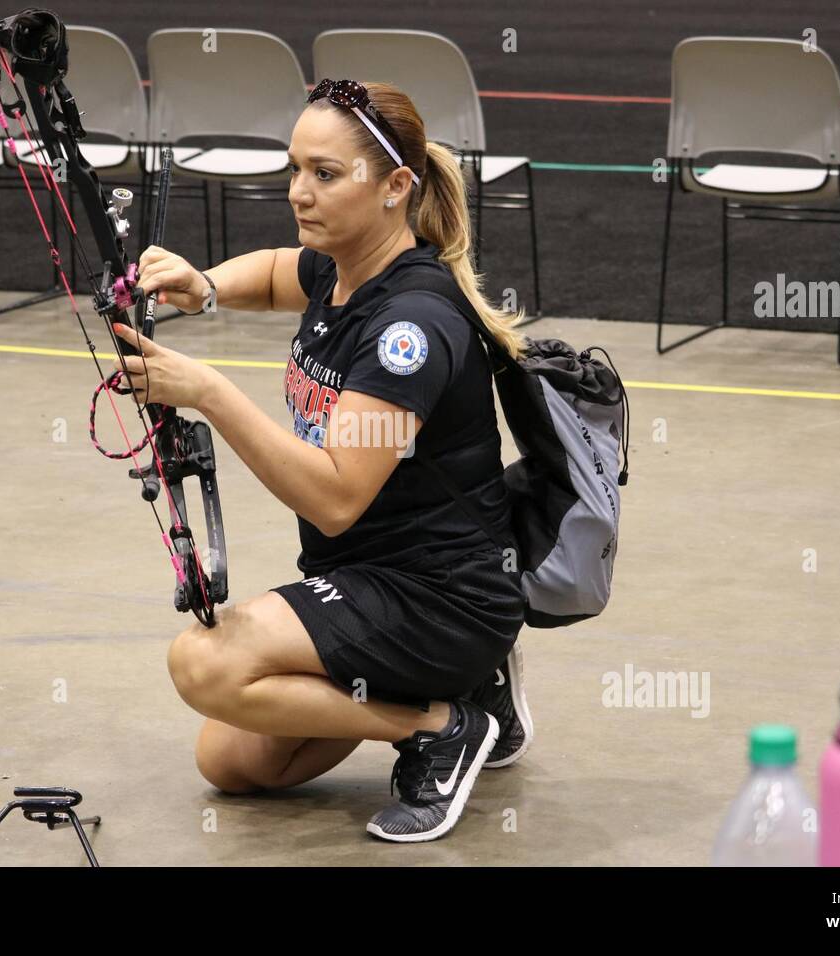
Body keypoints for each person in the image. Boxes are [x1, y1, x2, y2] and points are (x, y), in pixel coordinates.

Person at [112, 79, 533, 842]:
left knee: (205, 667)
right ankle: (470, 690)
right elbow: (282, 271)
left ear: (395, 187)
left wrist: (209, 392)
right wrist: (205, 287)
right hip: (366, 578)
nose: (299, 192)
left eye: (326, 174)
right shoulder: (344, 267)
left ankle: (442, 724)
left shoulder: (409, 331)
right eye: (295, 169)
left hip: (439, 598)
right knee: (230, 761)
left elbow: (336, 499)